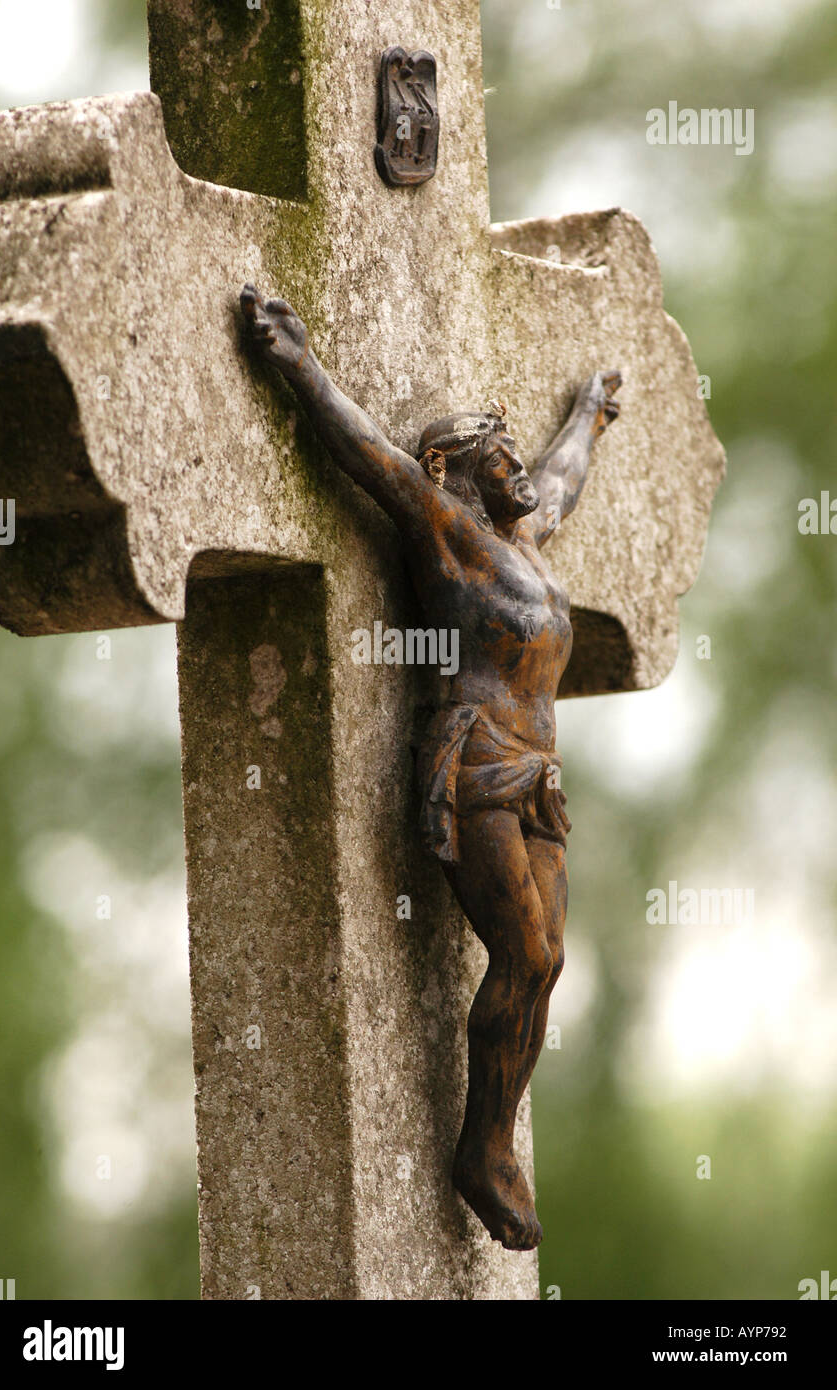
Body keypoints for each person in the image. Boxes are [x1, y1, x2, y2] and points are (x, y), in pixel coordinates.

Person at [241, 287, 621, 1251]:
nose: (520, 471)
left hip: (539, 776)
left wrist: (589, 414)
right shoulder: (444, 530)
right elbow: (365, 451)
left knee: (551, 962)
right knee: (525, 954)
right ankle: (482, 1148)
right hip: (475, 762)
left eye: (517, 456)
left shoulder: (526, 542)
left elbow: (563, 477)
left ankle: (491, 1136)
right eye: (499, 456)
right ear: (453, 468)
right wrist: (299, 363)